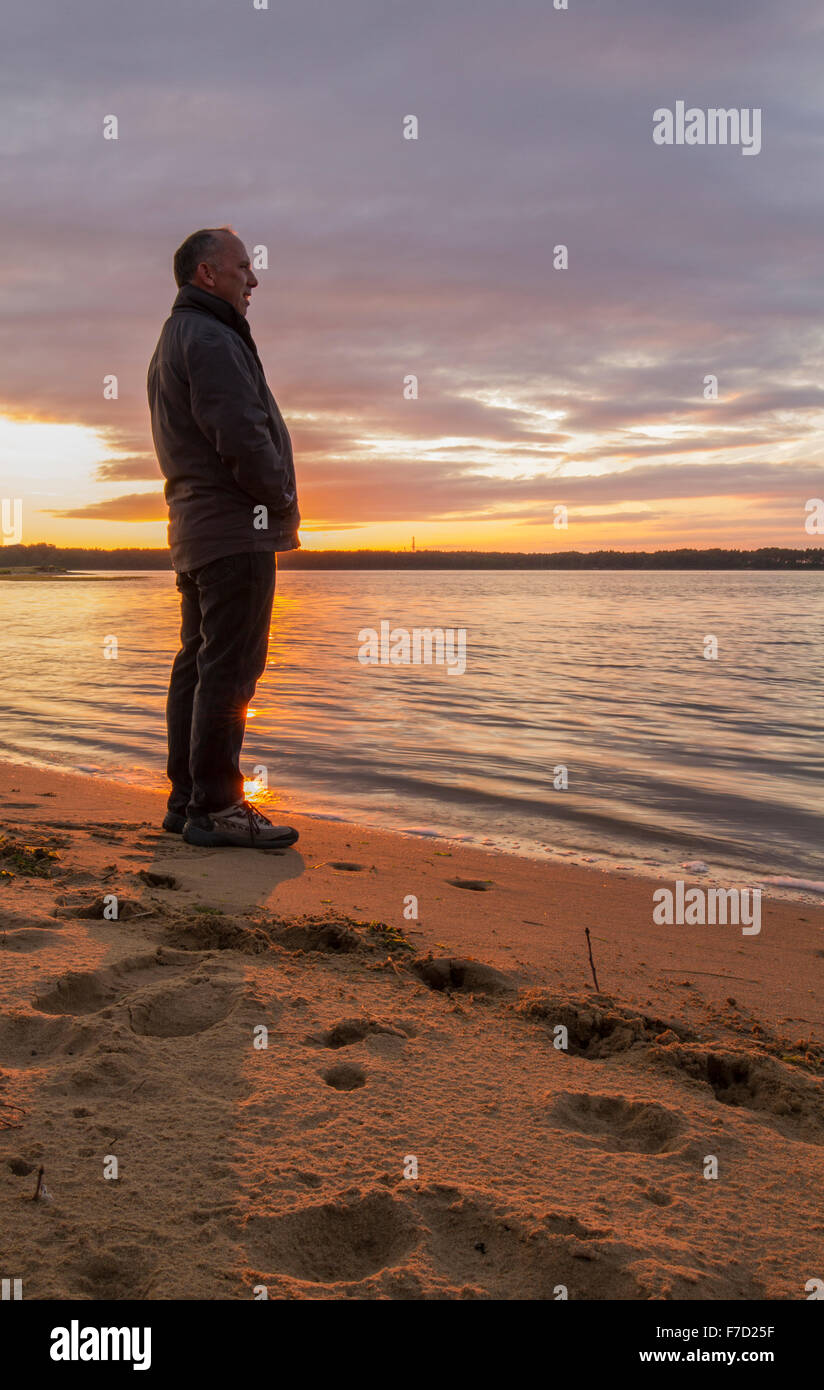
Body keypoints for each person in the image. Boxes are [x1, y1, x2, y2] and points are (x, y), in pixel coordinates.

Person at [147, 226, 300, 849]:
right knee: (230, 671)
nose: (254, 279)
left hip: (197, 529)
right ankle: (217, 807)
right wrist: (280, 498)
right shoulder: (209, 337)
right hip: (234, 530)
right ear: (207, 273)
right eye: (244, 267)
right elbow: (238, 431)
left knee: (200, 664)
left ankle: (188, 801)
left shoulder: (179, 335)